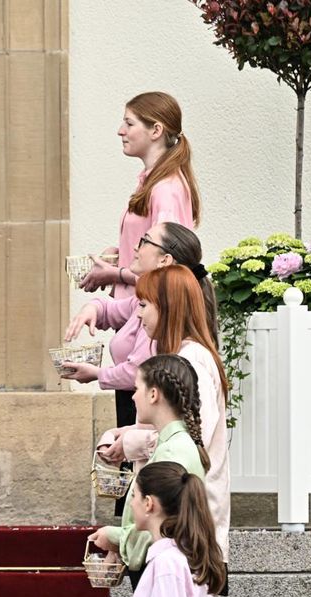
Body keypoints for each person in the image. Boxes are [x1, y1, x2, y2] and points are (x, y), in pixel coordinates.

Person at [63, 222, 208, 515]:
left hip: (179, 514)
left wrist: (98, 376)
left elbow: (184, 442)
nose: (135, 246)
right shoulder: (152, 301)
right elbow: (113, 310)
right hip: (145, 434)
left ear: (165, 259)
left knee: (143, 506)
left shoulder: (188, 355)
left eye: (144, 241)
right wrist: (91, 308)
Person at [98, 266, 231, 572]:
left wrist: (131, 442)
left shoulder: (193, 360)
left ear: (167, 307)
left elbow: (193, 436)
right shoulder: (183, 356)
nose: (138, 315)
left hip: (183, 535)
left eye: (143, 306)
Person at [95, 461, 224, 597]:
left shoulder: (168, 563)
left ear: (148, 503)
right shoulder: (187, 555)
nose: (131, 503)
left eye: (134, 496)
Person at [88, 354, 209, 578]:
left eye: (136, 389)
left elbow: (161, 522)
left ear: (153, 394)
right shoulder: (172, 445)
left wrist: (116, 538)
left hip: (160, 564)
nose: (133, 397)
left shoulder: (173, 451)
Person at [79, 92, 199, 298]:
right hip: (136, 314)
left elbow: (166, 272)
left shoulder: (165, 190)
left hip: (145, 320)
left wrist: (114, 274)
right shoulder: (153, 183)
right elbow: (153, 255)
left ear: (156, 131)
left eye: (129, 123)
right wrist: (120, 253)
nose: (120, 131)